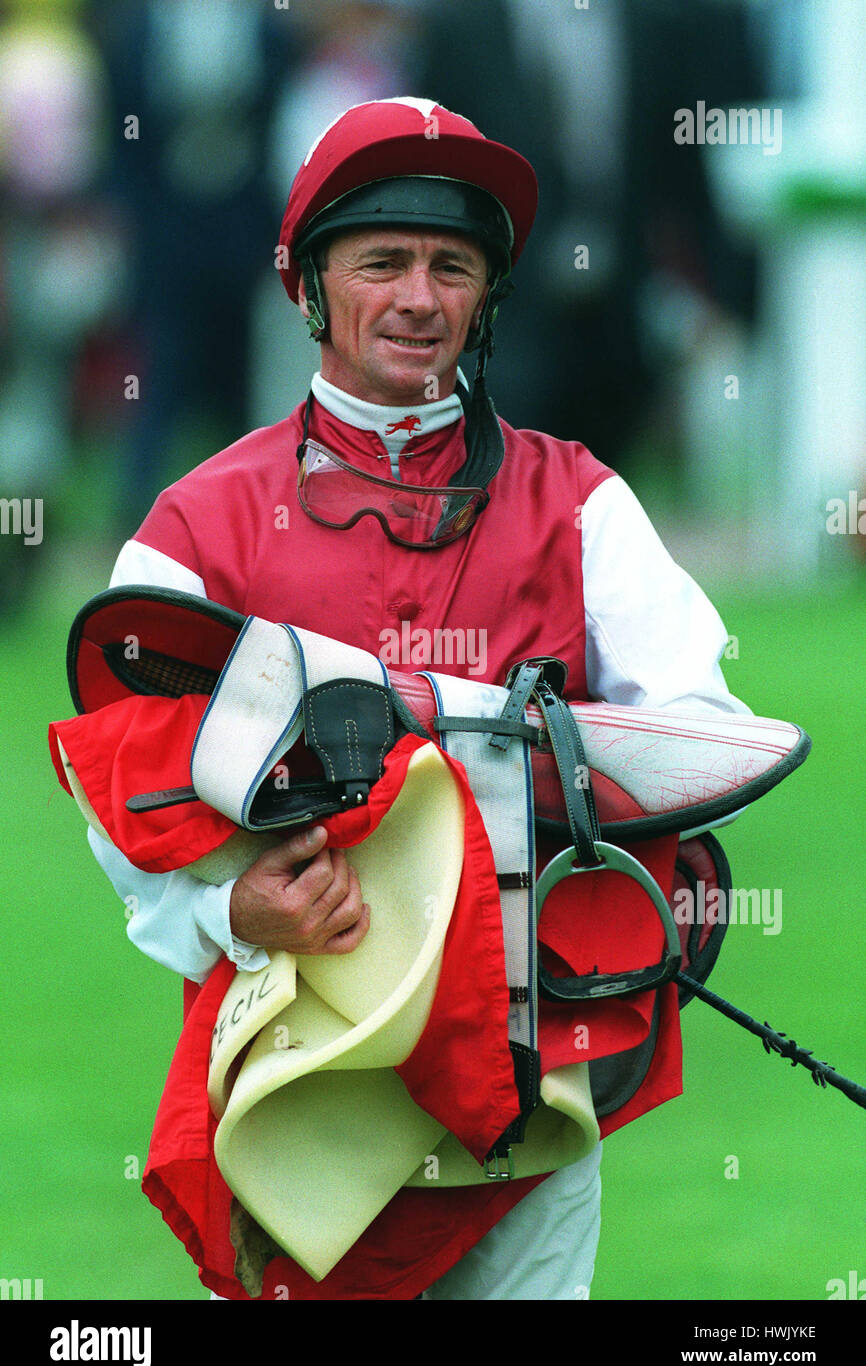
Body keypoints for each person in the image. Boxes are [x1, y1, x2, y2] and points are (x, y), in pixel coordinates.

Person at [87, 97, 749, 1301]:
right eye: (380, 263)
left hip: (529, 1106)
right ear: (310, 284)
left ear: (484, 298)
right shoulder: (197, 527)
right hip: (304, 1115)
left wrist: (462, 733)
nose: (416, 298)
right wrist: (235, 910)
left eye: (451, 268)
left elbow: (699, 746)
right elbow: (118, 797)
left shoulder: (581, 502)